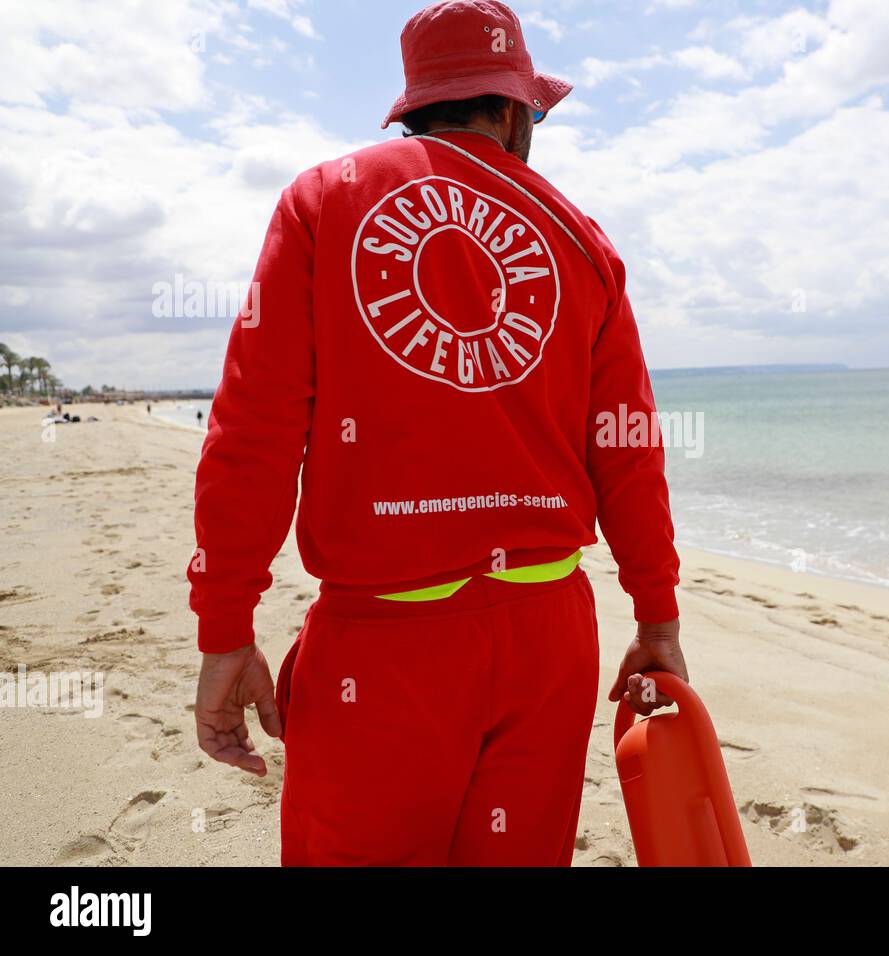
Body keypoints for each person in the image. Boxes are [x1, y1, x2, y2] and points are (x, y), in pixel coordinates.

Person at [189, 0, 686, 866]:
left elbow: (251, 432)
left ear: (415, 103)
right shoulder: (582, 238)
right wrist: (655, 612)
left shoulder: (322, 201)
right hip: (549, 635)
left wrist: (226, 627)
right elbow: (628, 446)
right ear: (511, 110)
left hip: (383, 644)